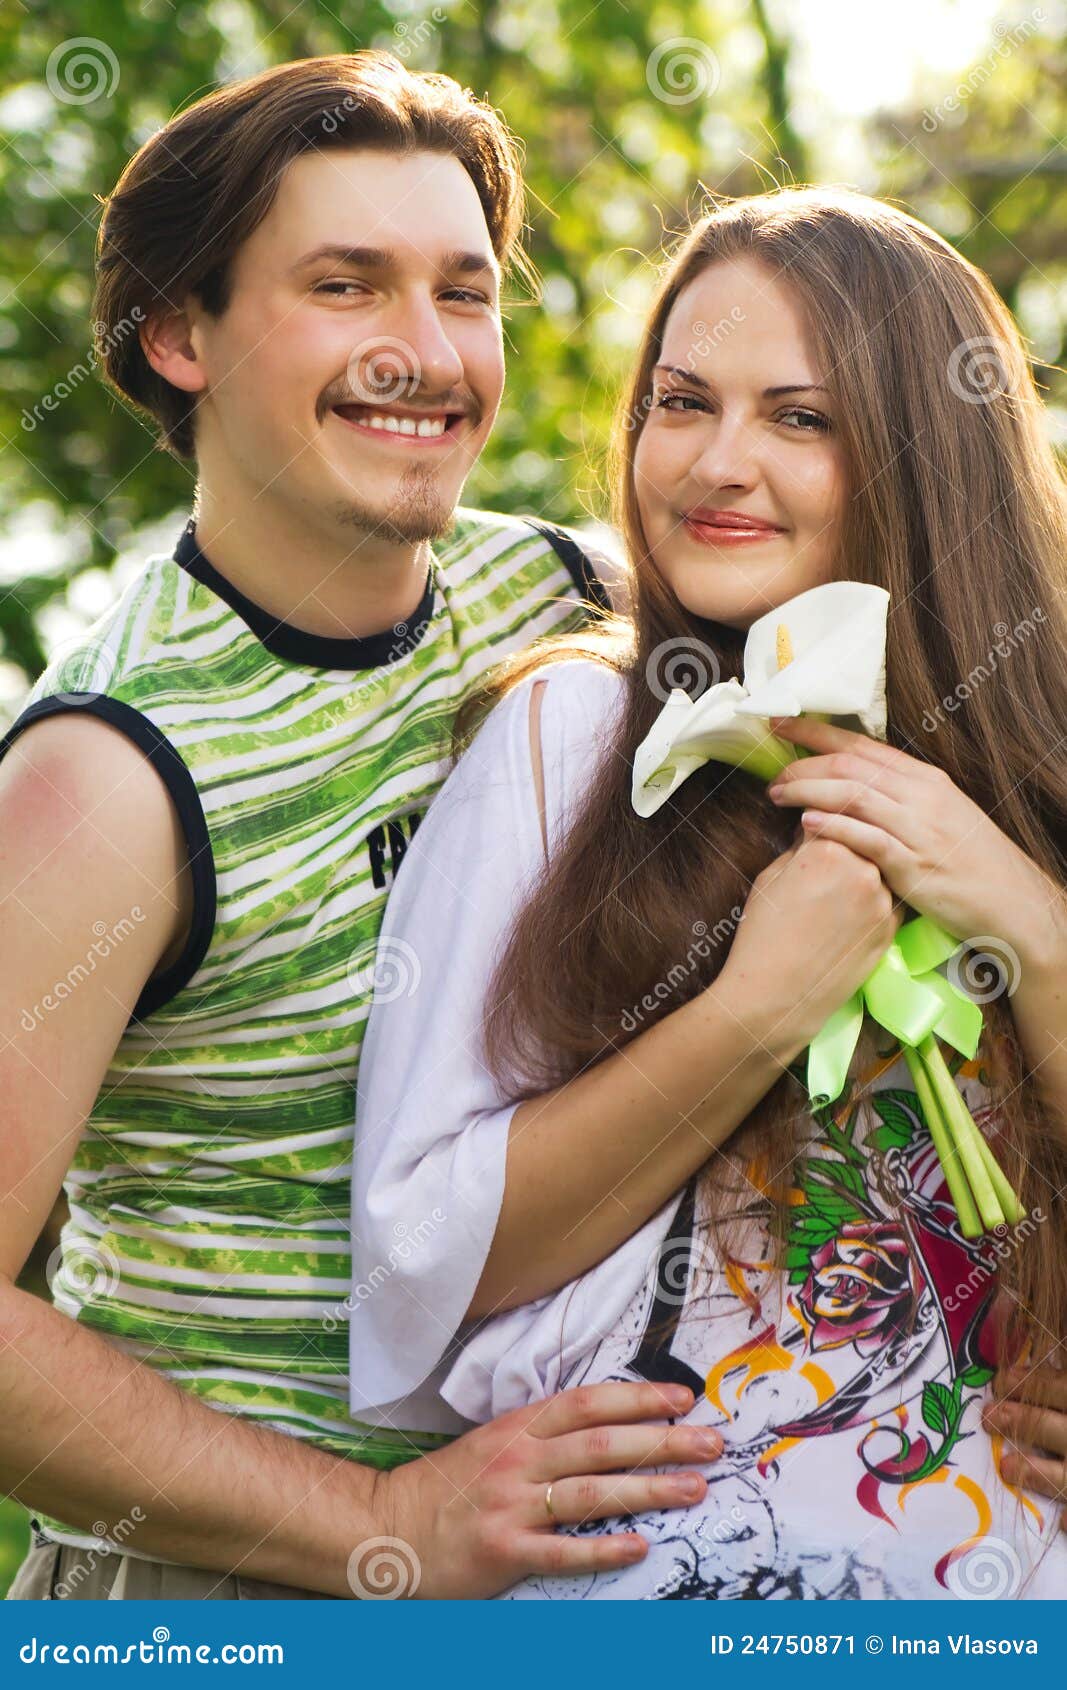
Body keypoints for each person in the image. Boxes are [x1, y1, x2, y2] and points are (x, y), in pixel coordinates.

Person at [0, 52, 723, 1603]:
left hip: (570, 1586)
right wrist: (378, 1522)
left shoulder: (571, 605)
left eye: (465, 293)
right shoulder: (107, 775)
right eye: (346, 286)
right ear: (178, 335)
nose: (428, 353)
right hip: (235, 1602)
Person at [350, 187, 1067, 1599]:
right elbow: (420, 1255)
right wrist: (753, 1012)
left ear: (931, 457)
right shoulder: (574, 738)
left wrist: (1028, 926)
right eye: (682, 404)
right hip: (667, 1589)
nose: (717, 465)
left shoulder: (1035, 761)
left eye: (801, 418)